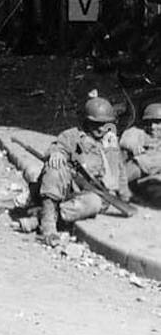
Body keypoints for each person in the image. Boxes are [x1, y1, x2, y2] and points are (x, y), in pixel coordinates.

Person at [33, 92, 128, 243]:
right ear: (86, 121)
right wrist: (56, 153)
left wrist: (124, 195)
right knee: (55, 167)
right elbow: (57, 147)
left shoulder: (110, 142)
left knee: (94, 203)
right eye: (96, 123)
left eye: (105, 124)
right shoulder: (72, 135)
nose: (101, 128)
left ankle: (42, 216)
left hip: (90, 193)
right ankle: (48, 226)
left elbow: (119, 167)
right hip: (66, 189)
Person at [121, 101, 161, 197]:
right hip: (130, 173)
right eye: (149, 123)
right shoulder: (138, 132)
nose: (152, 127)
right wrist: (134, 147)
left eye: (158, 123)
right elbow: (124, 140)